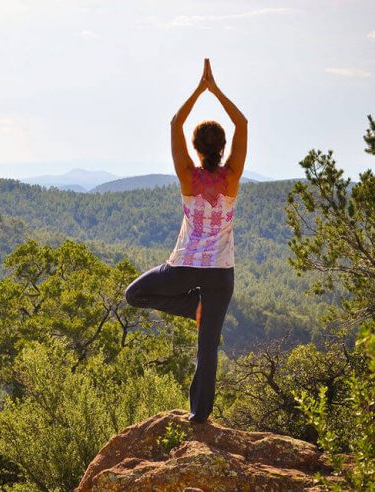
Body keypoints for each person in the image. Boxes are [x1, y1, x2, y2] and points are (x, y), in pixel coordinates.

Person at [124, 58, 248, 423]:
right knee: (207, 346)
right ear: (223, 147)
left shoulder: (186, 176)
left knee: (135, 294)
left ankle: (190, 306)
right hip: (220, 273)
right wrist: (216, 89)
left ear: (195, 149)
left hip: (184, 266)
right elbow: (242, 122)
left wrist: (199, 89)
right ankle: (200, 416)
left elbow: (176, 122)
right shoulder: (233, 176)